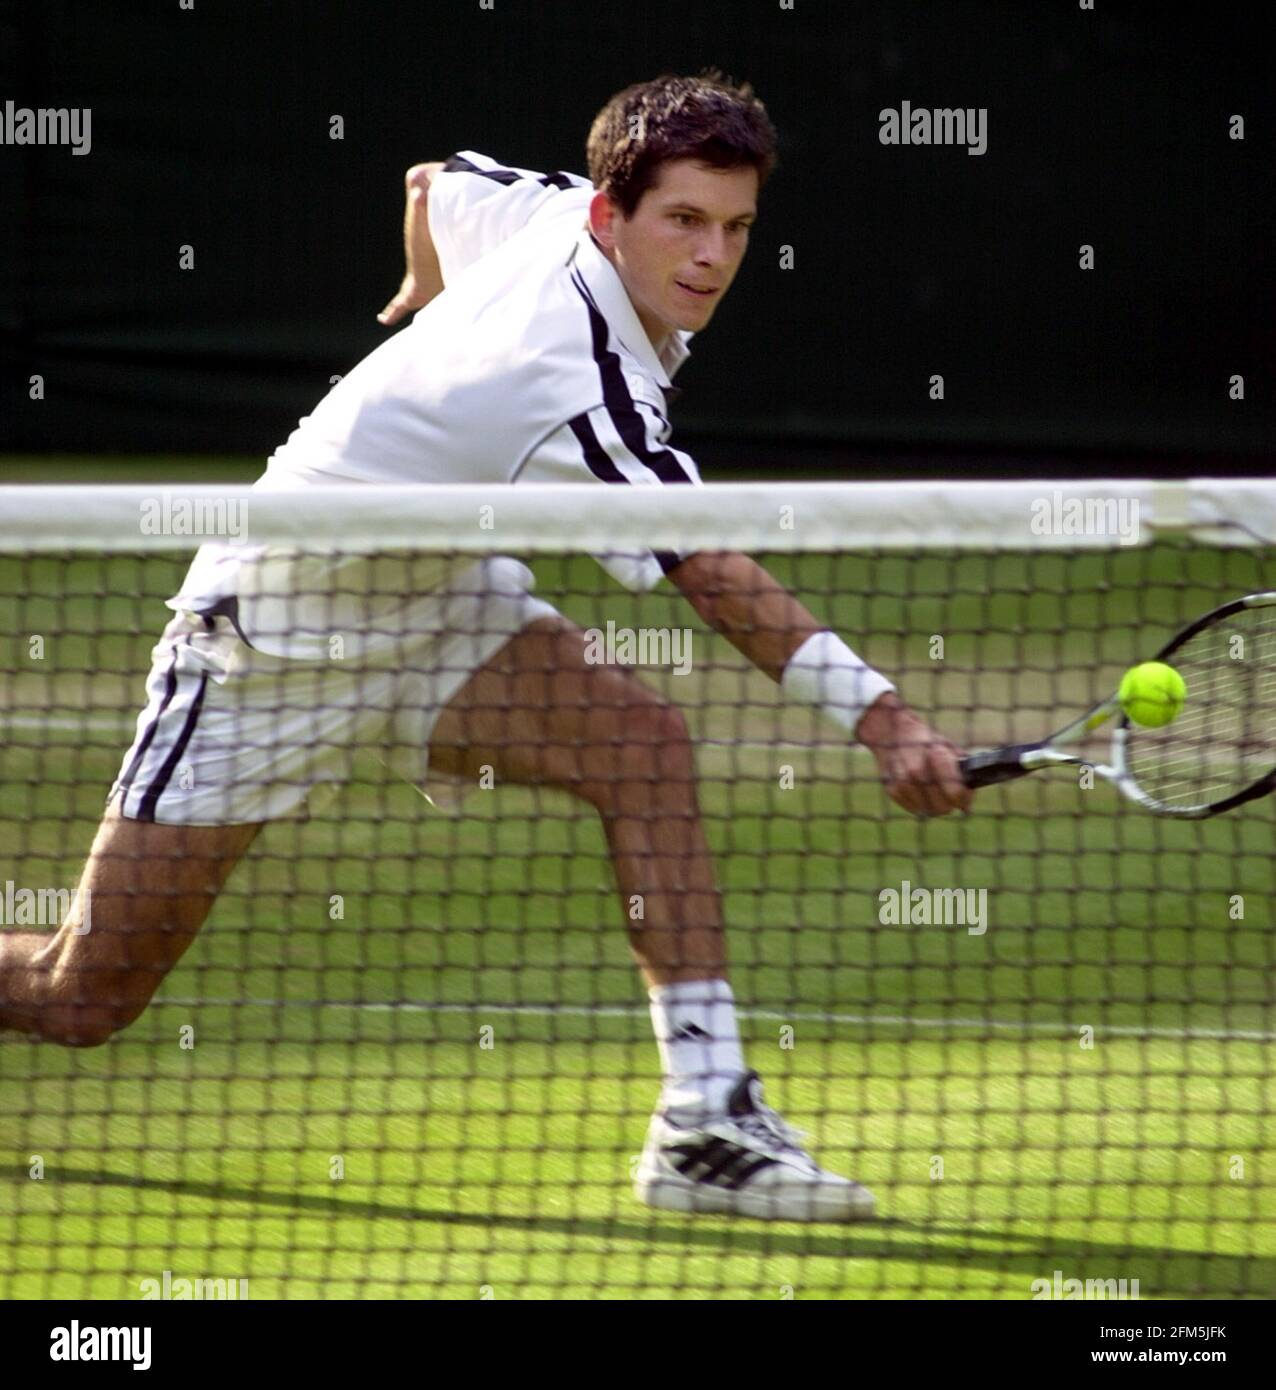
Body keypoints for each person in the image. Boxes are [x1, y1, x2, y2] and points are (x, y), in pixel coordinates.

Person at [0, 71, 971, 1221]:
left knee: (643, 748)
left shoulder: (553, 208)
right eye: (685, 222)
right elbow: (708, 572)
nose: (711, 256)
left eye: (736, 227)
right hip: (270, 645)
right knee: (81, 997)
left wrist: (426, 284)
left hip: (436, 606)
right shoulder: (579, 377)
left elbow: (435, 182)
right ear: (613, 215)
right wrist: (884, 716)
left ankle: (705, 1124)